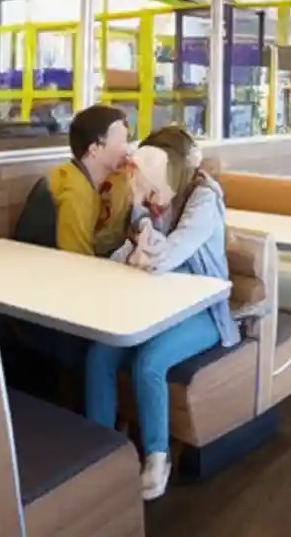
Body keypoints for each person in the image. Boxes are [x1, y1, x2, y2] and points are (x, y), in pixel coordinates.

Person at [84, 126, 240, 501]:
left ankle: (157, 456)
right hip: (156, 303)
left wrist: (142, 237)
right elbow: (133, 244)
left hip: (206, 308)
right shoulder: (159, 197)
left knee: (149, 364)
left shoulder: (204, 200)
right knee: (100, 354)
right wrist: (139, 219)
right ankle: (99, 451)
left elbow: (165, 256)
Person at [12, 104, 132, 256]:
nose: (128, 149)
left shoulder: (104, 182)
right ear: (94, 149)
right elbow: (77, 258)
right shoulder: (74, 190)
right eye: (121, 142)